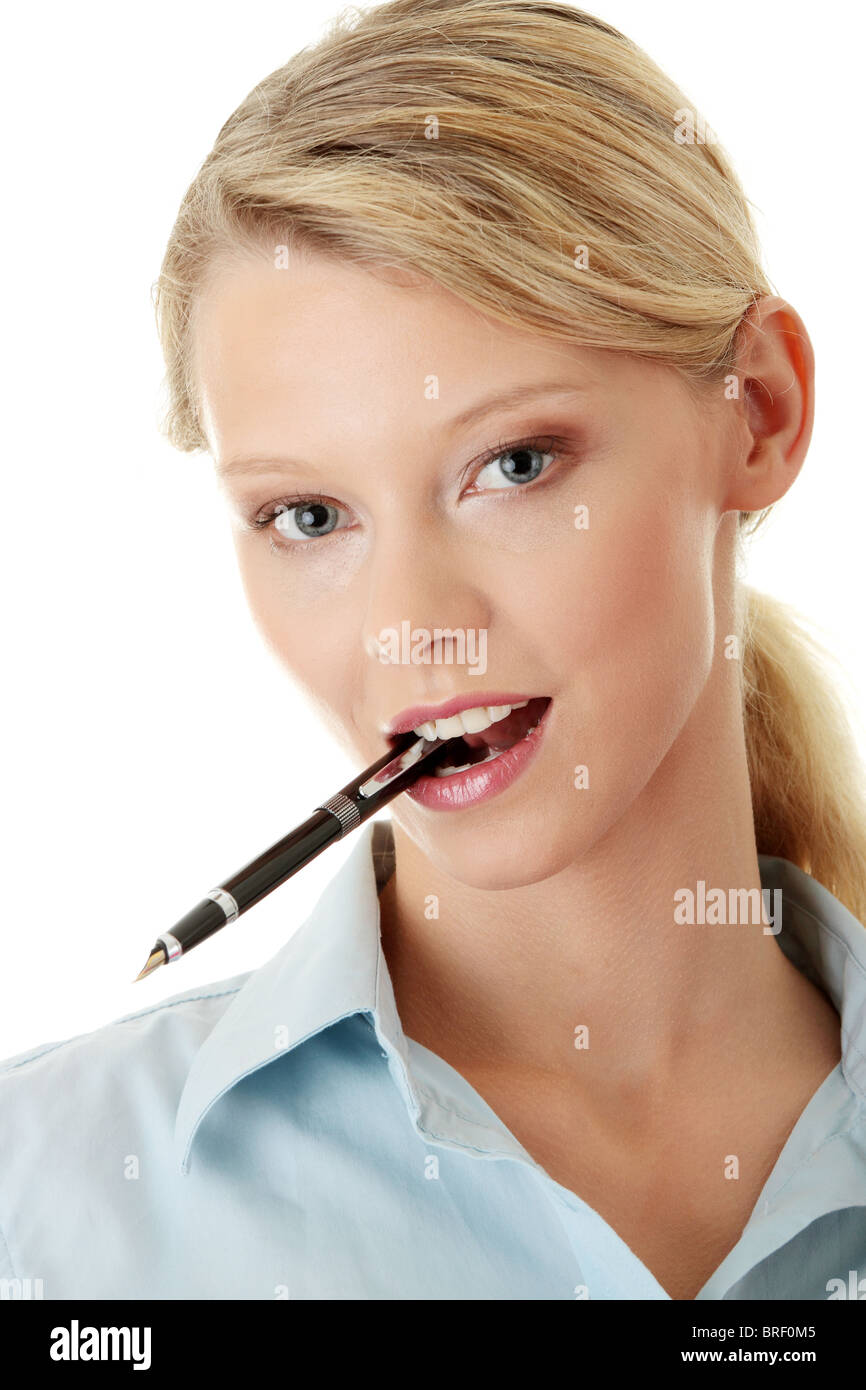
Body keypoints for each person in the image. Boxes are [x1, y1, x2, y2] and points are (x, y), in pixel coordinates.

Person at [2, 0, 865, 1302]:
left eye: (511, 466)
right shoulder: (43, 1200)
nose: (409, 622)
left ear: (757, 411)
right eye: (308, 516)